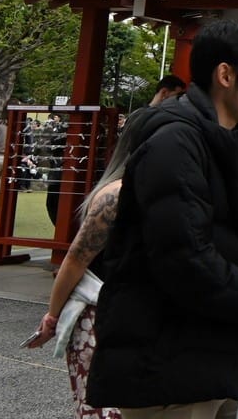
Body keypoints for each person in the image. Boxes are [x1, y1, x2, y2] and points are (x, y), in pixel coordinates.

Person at [86, 20, 238, 417]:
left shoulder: (236, 141)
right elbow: (186, 261)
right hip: (165, 363)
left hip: (211, 354)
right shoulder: (174, 145)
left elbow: (225, 242)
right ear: (225, 75)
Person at [25, 105, 154, 418]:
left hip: (143, 319)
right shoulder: (116, 194)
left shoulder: (171, 192)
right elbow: (75, 260)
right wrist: (53, 316)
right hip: (102, 313)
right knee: (103, 409)